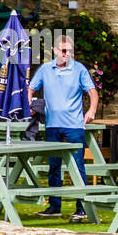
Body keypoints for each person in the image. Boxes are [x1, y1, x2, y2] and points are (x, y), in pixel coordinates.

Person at [30, 35, 98, 223]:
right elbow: (31, 88)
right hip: (52, 124)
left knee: (77, 166)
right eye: (63, 50)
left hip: (74, 125)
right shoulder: (45, 69)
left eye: (69, 51)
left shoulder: (79, 70)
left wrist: (91, 110)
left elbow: (92, 92)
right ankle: (54, 207)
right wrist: (28, 101)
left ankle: (82, 207)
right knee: (54, 166)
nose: (66, 54)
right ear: (54, 50)